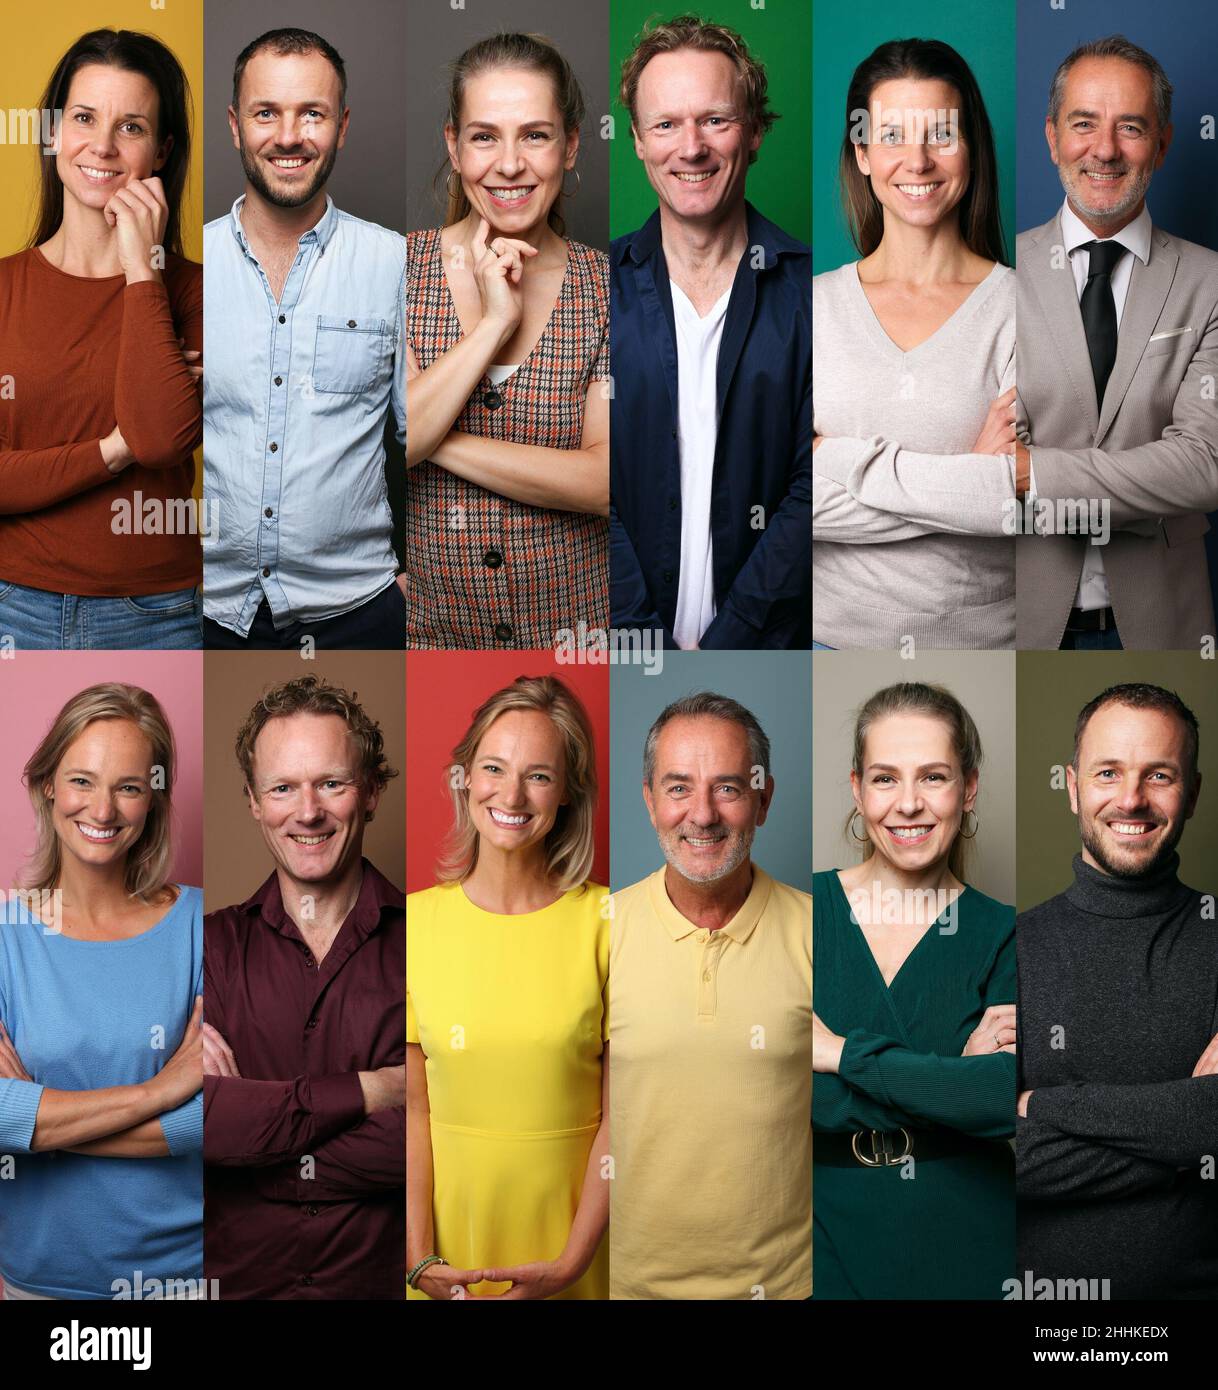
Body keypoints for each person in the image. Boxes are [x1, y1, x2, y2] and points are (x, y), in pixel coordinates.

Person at [610, 17, 811, 651]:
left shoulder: (813, 291)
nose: (690, 147)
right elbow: (592, 489)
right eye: (666, 124)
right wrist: (641, 635)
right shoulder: (590, 290)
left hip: (775, 648)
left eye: (715, 120)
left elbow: (815, 484)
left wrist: (737, 635)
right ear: (639, 141)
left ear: (753, 134)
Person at [202, 676, 405, 1298]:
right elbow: (201, 1124)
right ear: (253, 802)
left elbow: (438, 1136)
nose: (308, 811)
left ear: (371, 792)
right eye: (283, 787)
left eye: (332, 784)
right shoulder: (206, 948)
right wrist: (376, 1089)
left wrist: (256, 1144)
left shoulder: (435, 942)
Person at [0, 29, 203, 650]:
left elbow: (160, 437)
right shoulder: (4, 286)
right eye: (84, 117)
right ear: (54, 133)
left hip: (160, 614)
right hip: (12, 604)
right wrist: (112, 450)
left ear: (162, 150)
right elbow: (135, 441)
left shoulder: (195, 293)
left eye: (132, 127)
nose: (104, 147)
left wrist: (144, 268)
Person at [203, 28, 406, 649]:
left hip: (361, 612)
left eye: (311, 114)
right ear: (236, 125)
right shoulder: (185, 266)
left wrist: (430, 573)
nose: (289, 136)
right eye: (267, 113)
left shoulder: (396, 264)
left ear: (341, 126)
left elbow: (429, 436)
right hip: (207, 612)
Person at [405, 34, 609, 651]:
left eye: (536, 135)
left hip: (578, 637)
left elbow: (604, 483)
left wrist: (427, 437)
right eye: (485, 135)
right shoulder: (398, 269)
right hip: (435, 640)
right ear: (453, 144)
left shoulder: (610, 288)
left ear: (571, 145)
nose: (510, 164)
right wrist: (495, 323)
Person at [407, 675, 608, 1299]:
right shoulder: (413, 924)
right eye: (493, 767)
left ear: (569, 792)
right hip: (447, 1248)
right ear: (464, 776)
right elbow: (416, 1113)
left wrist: (570, 1264)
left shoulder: (611, 922)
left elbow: (624, 1119)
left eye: (539, 775)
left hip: (573, 1247)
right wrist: (417, 1261)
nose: (512, 794)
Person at [0, 684, 203, 1299]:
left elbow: (203, 1122)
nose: (103, 810)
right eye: (82, 781)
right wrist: (160, 1090)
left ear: (154, 801)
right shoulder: (6, 934)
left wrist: (38, 1122)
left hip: (178, 1280)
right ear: (46, 787)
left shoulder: (200, 923)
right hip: (39, 1282)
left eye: (129, 786)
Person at [812, 682, 1014, 1298]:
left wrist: (838, 1055)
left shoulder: (1006, 931)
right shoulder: (801, 909)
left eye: (933, 777)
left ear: (968, 788)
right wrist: (949, 1080)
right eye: (885, 779)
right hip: (823, 1235)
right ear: (856, 788)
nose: (908, 805)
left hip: (971, 1237)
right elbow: (769, 1094)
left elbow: (1004, 1098)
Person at [1016, 36, 1218, 650]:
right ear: (1053, 137)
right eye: (1084, 124)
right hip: (1019, 621)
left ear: (1162, 143)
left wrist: (1034, 471)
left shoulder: (1210, 283)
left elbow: (1204, 466)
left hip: (1165, 626)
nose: (1104, 150)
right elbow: (973, 455)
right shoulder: (998, 273)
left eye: (1130, 127)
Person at [813, 40, 1016, 650]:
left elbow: (1013, 505)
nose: (919, 161)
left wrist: (831, 457)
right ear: (864, 153)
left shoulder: (1022, 309)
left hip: (988, 649)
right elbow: (779, 505)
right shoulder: (808, 307)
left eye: (942, 135)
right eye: (894, 135)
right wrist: (967, 478)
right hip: (831, 645)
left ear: (971, 149)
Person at [1017, 683, 1218, 1298]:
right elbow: (1002, 1160)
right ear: (1073, 786)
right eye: (1108, 772)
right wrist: (1190, 1130)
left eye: (1159, 775)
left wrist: (1040, 1108)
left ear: (1193, 795)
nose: (1131, 800)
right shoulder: (1010, 948)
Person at [610, 692, 811, 1299]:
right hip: (625, 1288)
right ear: (648, 801)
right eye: (677, 788)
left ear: (764, 800)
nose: (702, 815)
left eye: (728, 788)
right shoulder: (594, 933)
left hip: (785, 1288)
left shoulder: (821, 931)